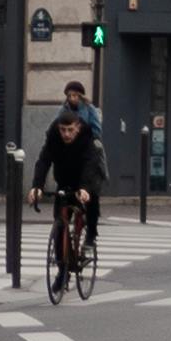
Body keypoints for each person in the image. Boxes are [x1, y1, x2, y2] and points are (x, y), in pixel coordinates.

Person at [32, 102, 107, 259]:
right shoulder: (53, 135)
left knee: (92, 200)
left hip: (85, 177)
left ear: (77, 128)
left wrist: (85, 188)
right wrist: (37, 186)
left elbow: (90, 163)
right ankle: (62, 271)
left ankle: (90, 237)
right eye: (63, 130)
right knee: (60, 224)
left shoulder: (87, 135)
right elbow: (44, 160)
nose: (66, 134)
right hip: (64, 178)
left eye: (70, 130)